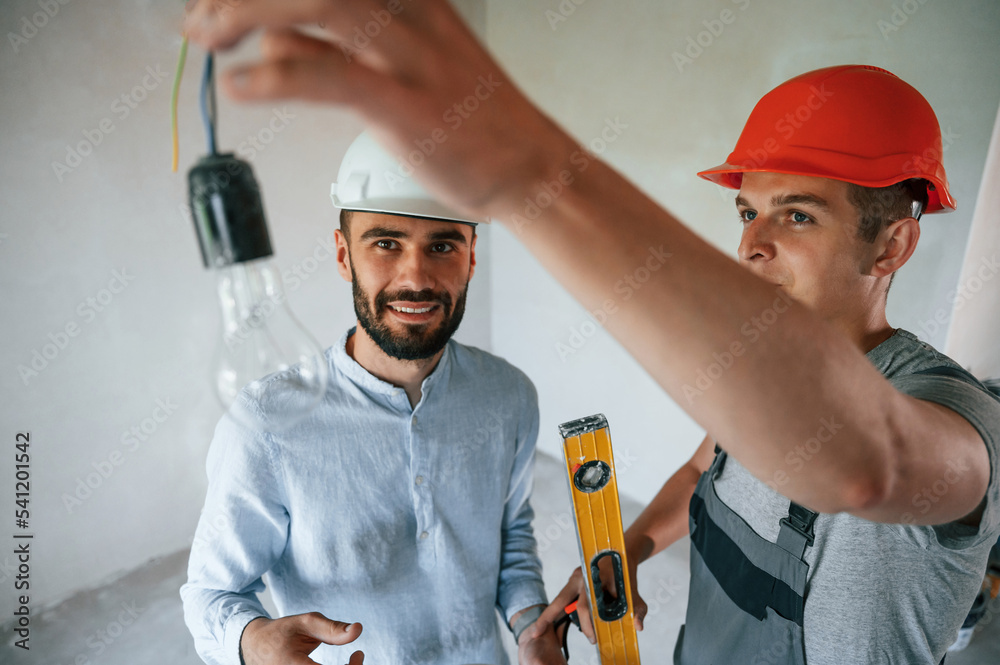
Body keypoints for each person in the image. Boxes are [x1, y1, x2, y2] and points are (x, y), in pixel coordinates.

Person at [181, 2, 1000, 662]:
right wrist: (630, 551)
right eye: (748, 211)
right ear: (341, 254)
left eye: (798, 214)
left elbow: (864, 463)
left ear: (891, 242)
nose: (751, 243)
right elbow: (703, 465)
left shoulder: (955, 419)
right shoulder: (267, 420)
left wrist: (531, 173)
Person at [180, 132, 563, 665]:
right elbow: (209, 595)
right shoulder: (265, 424)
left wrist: (530, 626)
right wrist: (251, 641)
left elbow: (509, 534)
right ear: (344, 255)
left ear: (472, 257)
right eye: (386, 243)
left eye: (443, 245)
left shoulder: (509, 396)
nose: (416, 277)